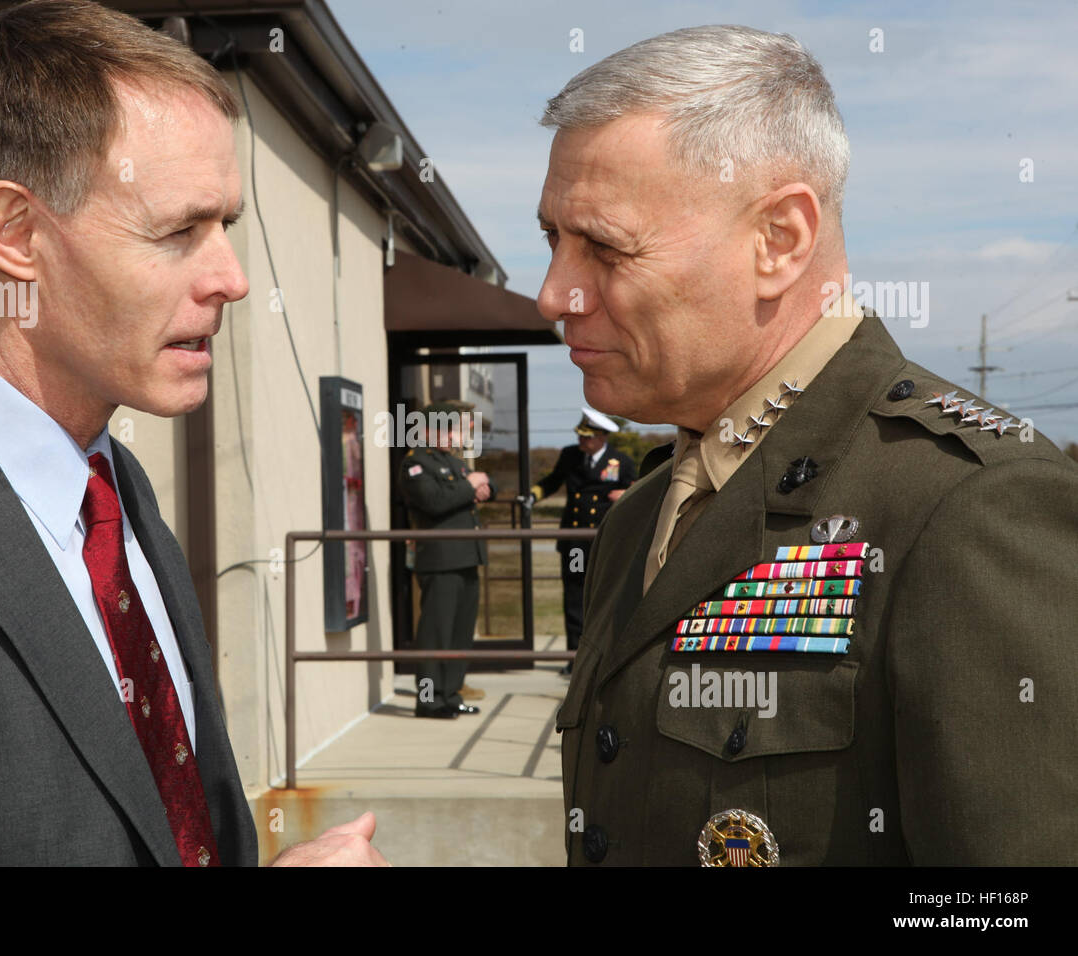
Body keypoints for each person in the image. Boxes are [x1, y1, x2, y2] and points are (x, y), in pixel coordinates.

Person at [0, 0, 385, 867]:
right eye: (179, 231)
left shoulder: (111, 487)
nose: (232, 279)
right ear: (15, 233)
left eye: (228, 227)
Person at [537, 25, 1078, 865]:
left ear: (780, 241)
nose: (552, 295)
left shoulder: (967, 506)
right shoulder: (642, 517)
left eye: (604, 246)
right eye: (553, 242)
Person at [398, 401, 493, 718]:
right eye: (445, 428)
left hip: (466, 556)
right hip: (440, 560)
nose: (452, 435)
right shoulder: (416, 464)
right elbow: (434, 502)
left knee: (460, 634)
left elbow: (465, 494)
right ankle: (428, 699)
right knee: (435, 634)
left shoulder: (451, 462)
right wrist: (469, 485)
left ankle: (450, 694)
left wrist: (479, 489)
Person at [529, 408, 638, 675]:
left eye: (588, 437)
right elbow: (552, 481)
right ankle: (574, 658)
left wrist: (625, 493)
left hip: (606, 541)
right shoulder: (570, 456)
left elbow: (638, 489)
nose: (582, 441)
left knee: (605, 598)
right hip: (575, 544)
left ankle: (603, 659)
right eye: (580, 436)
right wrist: (531, 496)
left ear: (602, 437)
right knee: (575, 598)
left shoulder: (620, 461)